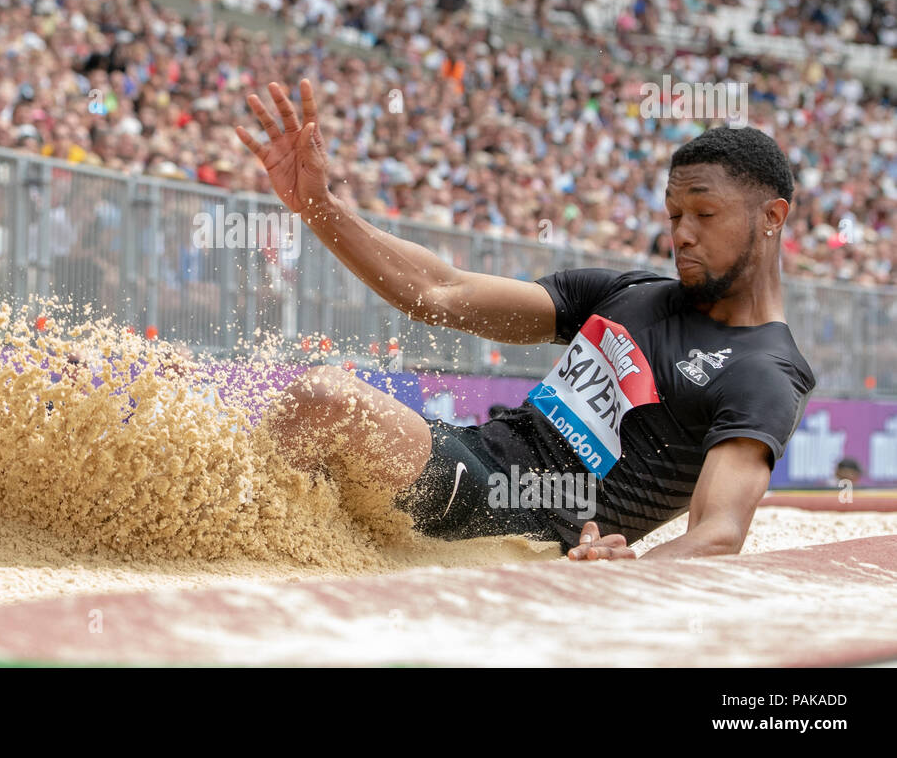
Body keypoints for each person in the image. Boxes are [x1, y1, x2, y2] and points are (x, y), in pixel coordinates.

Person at [237, 79, 816, 560]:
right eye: (674, 214)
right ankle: (219, 519)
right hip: (468, 456)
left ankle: (215, 529)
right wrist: (320, 208)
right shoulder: (631, 291)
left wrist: (626, 567)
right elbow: (438, 290)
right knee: (312, 427)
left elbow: (718, 533)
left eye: (705, 214)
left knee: (328, 397)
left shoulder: (762, 371)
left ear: (772, 216)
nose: (681, 233)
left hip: (527, 520)